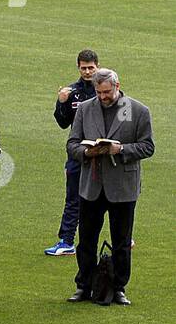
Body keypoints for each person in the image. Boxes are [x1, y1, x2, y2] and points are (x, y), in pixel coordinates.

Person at [66, 68, 154, 305]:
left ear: (117, 86)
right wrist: (87, 152)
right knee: (85, 240)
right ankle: (83, 286)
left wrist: (121, 150)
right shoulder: (85, 109)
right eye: (98, 92)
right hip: (92, 185)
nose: (103, 97)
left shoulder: (138, 110)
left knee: (122, 242)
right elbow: (72, 144)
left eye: (107, 92)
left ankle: (118, 287)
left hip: (122, 187)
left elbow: (148, 147)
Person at [46, 49, 99, 256]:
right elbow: (62, 122)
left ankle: (121, 234)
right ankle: (66, 241)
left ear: (98, 66)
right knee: (73, 197)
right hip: (78, 153)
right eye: (84, 68)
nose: (87, 72)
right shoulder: (72, 92)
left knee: (111, 195)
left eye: (91, 68)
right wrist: (61, 102)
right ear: (78, 67)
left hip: (102, 152)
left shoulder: (105, 88)